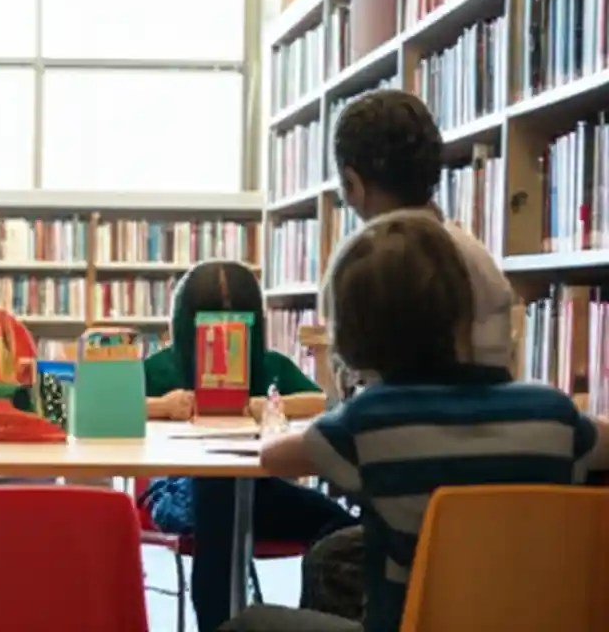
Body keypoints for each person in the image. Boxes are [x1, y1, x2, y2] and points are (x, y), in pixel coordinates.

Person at [220, 210, 609, 632]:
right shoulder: (554, 414)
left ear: (351, 342)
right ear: (465, 314)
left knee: (251, 623)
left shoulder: (366, 424)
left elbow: (275, 458)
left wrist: (276, 423)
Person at [301, 88, 520, 620]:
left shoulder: (369, 262)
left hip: (420, 525)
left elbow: (354, 416)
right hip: (505, 524)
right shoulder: (478, 257)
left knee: (332, 560)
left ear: (351, 184)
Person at [139, 261, 355, 632]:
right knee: (217, 497)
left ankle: (316, 620)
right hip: (177, 487)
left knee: (341, 528)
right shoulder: (162, 367)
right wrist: (163, 406)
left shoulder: (267, 365)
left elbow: (320, 401)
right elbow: (109, 403)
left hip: (255, 488)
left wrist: (269, 405)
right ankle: (218, 624)